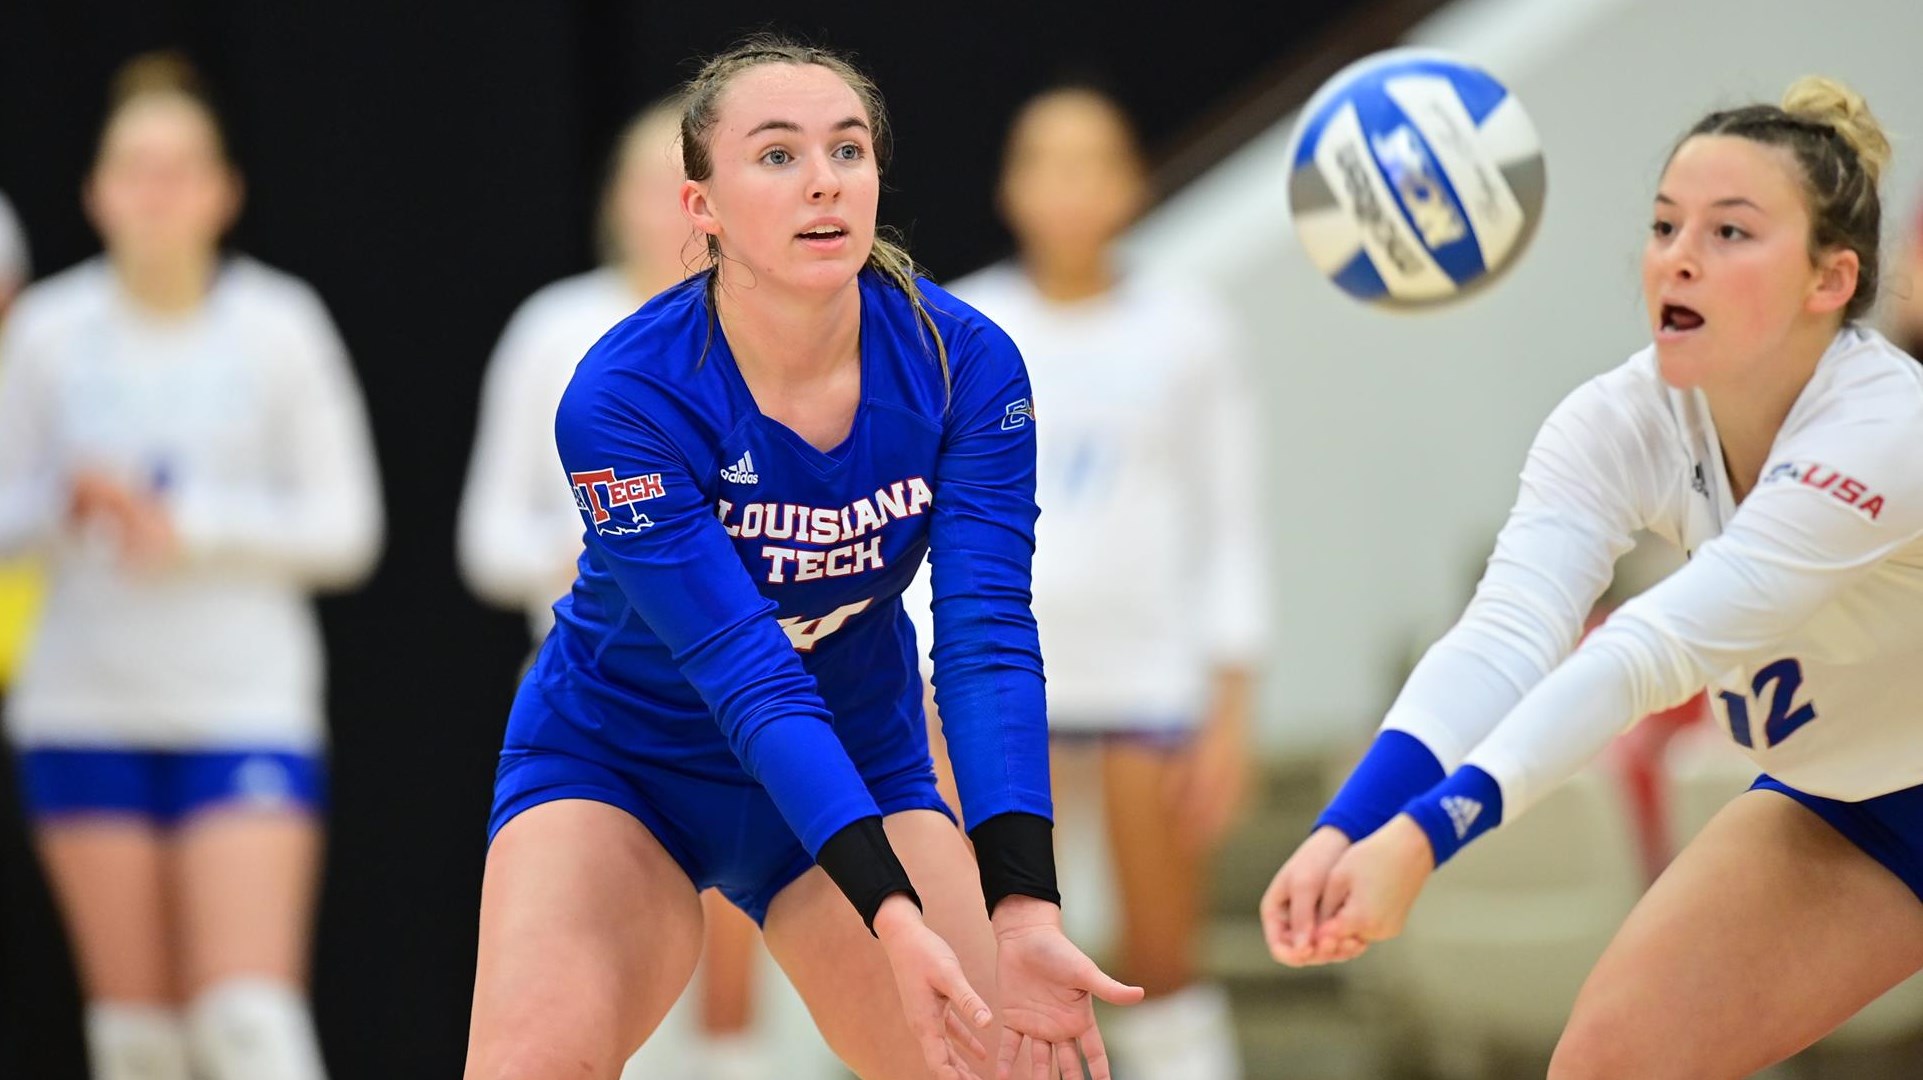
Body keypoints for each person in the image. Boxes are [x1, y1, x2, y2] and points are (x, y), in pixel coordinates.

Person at [463, 35, 1141, 1080]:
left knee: (999, 1063)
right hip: (624, 766)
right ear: (703, 210)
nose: (823, 179)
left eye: (848, 150)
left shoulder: (966, 363)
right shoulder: (623, 398)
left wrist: (1024, 905)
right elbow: (746, 670)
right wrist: (894, 918)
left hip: (862, 757)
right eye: (777, 155)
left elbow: (987, 641)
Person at [1261, 76, 1923, 1079]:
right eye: (1665, 225)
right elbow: (1506, 635)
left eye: (1732, 232)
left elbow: (1648, 653)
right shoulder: (1618, 420)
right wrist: (1349, 825)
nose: (1680, 256)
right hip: (1849, 805)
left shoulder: (1883, 429)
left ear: (1829, 281)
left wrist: (1426, 839)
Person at [0, 52, 384, 1080]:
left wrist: (191, 525)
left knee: (248, 1023)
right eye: (134, 167)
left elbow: (349, 529)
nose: (157, 192)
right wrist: (59, 503)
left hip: (243, 705)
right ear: (93, 191)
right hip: (81, 705)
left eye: (181, 168)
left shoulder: (280, 326)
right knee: (135, 1040)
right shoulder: (44, 332)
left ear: (225, 192)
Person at [912, 84, 1266, 1080]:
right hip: (991, 686)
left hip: (1147, 679)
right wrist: (921, 698)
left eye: (1093, 162)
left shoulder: (1189, 327)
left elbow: (1228, 522)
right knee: (989, 966)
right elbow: (919, 518)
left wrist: (1232, 704)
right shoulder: (965, 323)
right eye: (1045, 162)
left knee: (1162, 963)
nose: (1069, 187)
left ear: (1131, 184)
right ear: (1011, 187)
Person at [455, 97, 782, 1080]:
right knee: (586, 992)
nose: (673, 211)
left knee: (735, 999)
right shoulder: (553, 329)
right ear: (615, 203)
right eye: (650, 185)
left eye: (691, 187)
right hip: (595, 704)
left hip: (735, 696)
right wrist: (597, 559)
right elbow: (487, 537)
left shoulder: (770, 328)